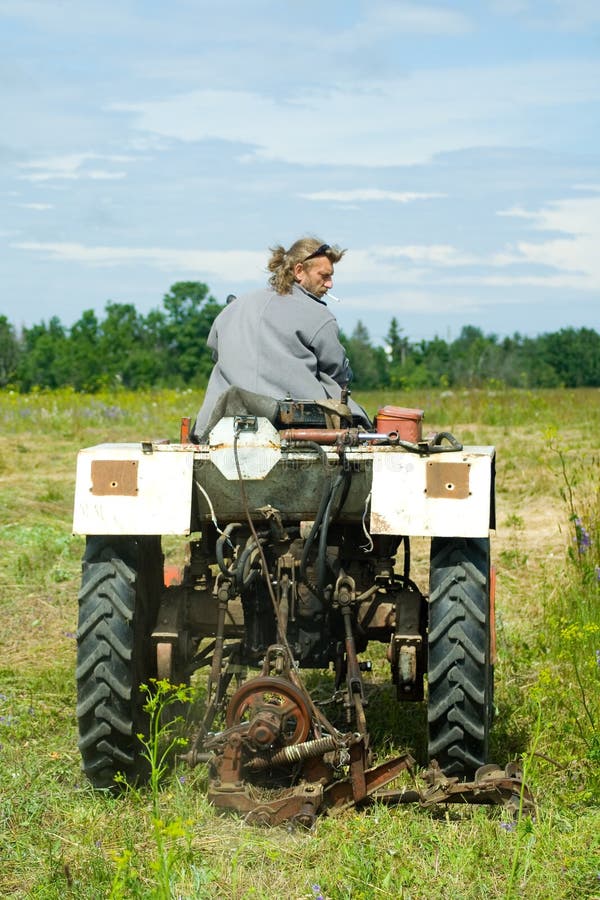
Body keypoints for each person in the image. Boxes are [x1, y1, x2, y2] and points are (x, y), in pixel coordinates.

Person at [192, 237, 366, 439]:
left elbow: (216, 351)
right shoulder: (319, 316)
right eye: (324, 276)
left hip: (219, 425)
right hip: (291, 425)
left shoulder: (233, 308)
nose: (330, 284)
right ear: (299, 271)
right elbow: (337, 372)